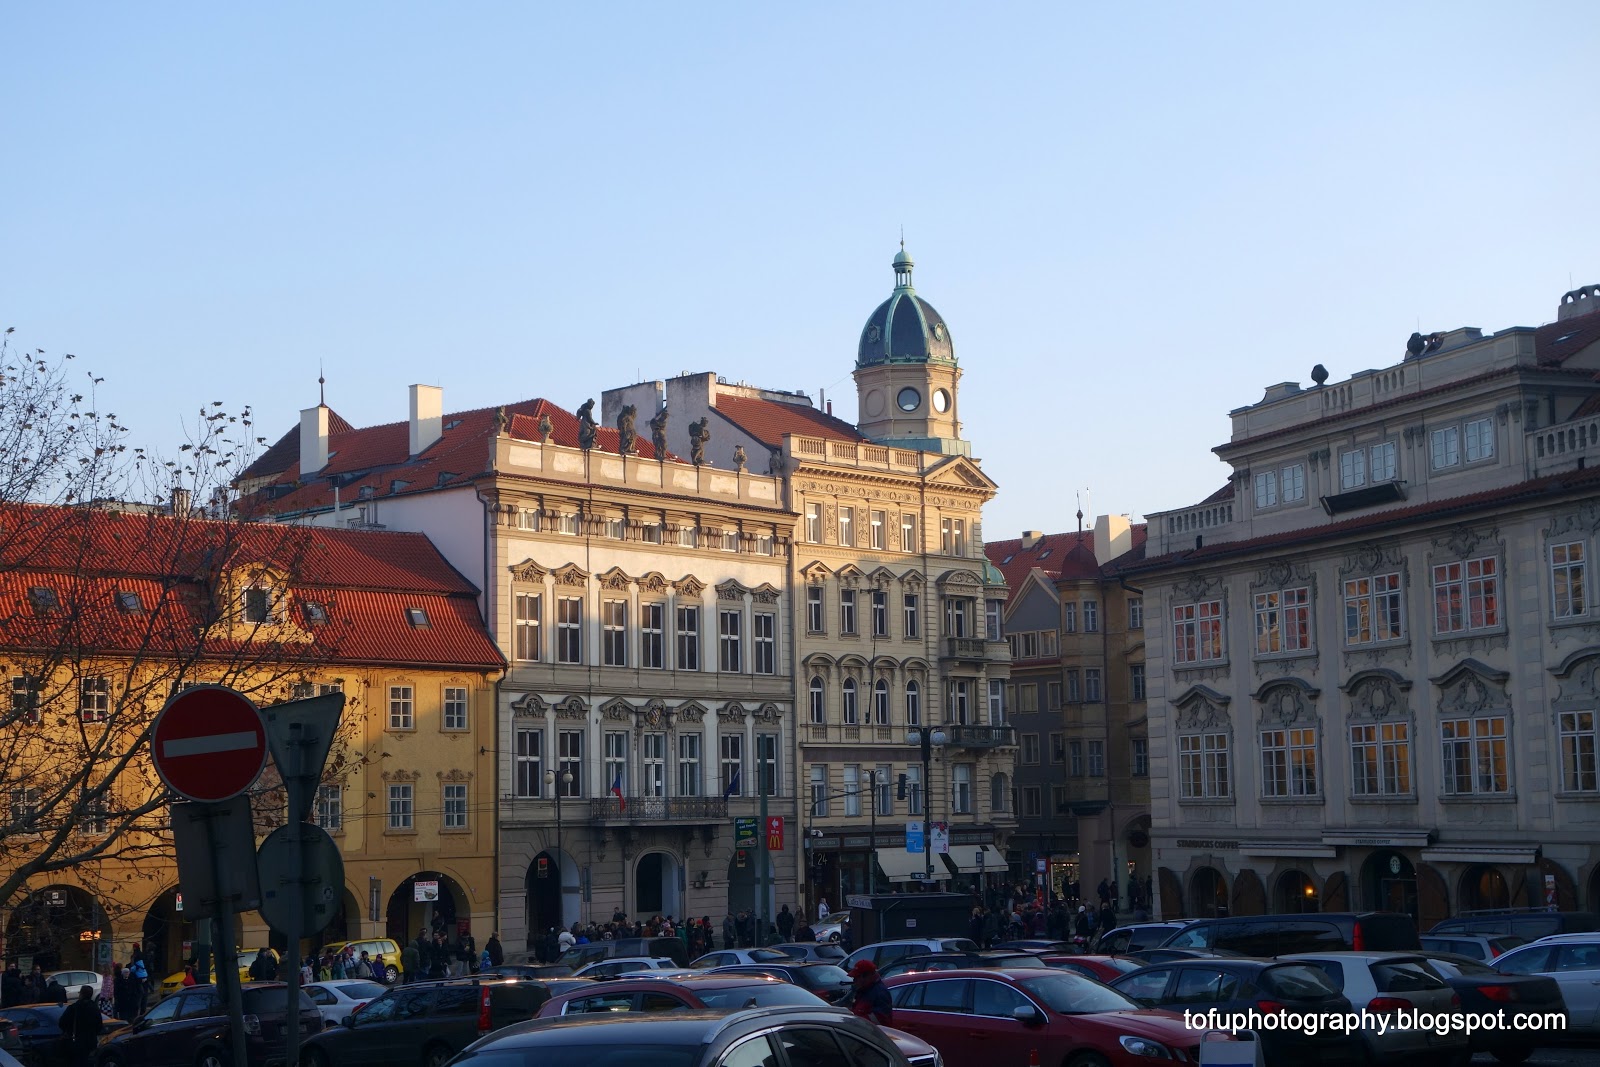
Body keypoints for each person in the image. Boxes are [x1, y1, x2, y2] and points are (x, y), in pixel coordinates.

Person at [60, 986, 102, 1067]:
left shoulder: (74, 1007)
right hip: (91, 1040)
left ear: (81, 994)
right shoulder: (94, 1008)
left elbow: (62, 1023)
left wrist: (69, 1030)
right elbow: (99, 1025)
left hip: (77, 1040)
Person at [847, 960, 892, 1025]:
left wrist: (856, 1021)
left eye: (856, 978)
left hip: (872, 1034)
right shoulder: (863, 991)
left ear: (866, 976)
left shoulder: (880, 993)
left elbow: (881, 1020)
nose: (854, 981)